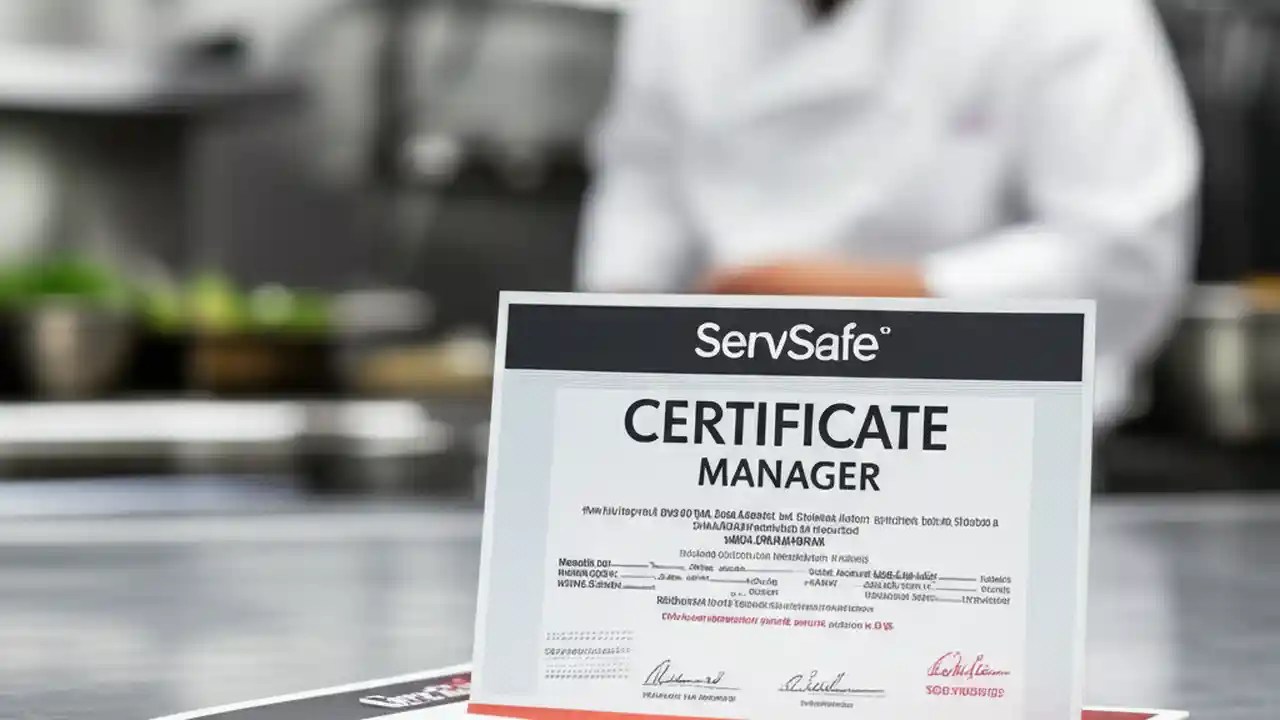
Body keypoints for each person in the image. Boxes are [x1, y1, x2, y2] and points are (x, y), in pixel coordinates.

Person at [576, 0, 1200, 425]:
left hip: (986, 436)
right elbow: (645, 172)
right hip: (725, 434)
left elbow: (1126, 257)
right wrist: (616, 330)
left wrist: (873, 302)